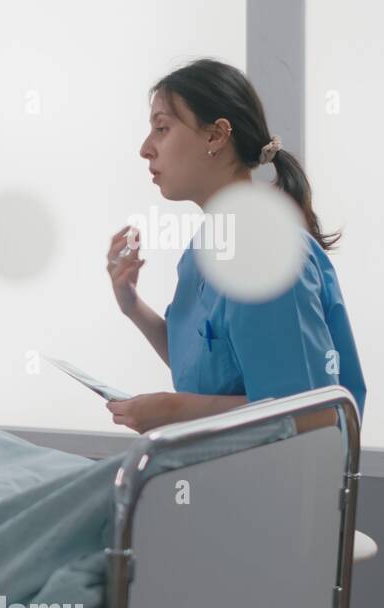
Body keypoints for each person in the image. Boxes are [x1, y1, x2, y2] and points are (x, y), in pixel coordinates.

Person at [105, 58, 365, 433]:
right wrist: (132, 306)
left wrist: (175, 411)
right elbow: (206, 368)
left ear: (215, 136)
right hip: (222, 475)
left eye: (161, 128)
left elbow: (312, 416)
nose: (146, 149)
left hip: (279, 484)